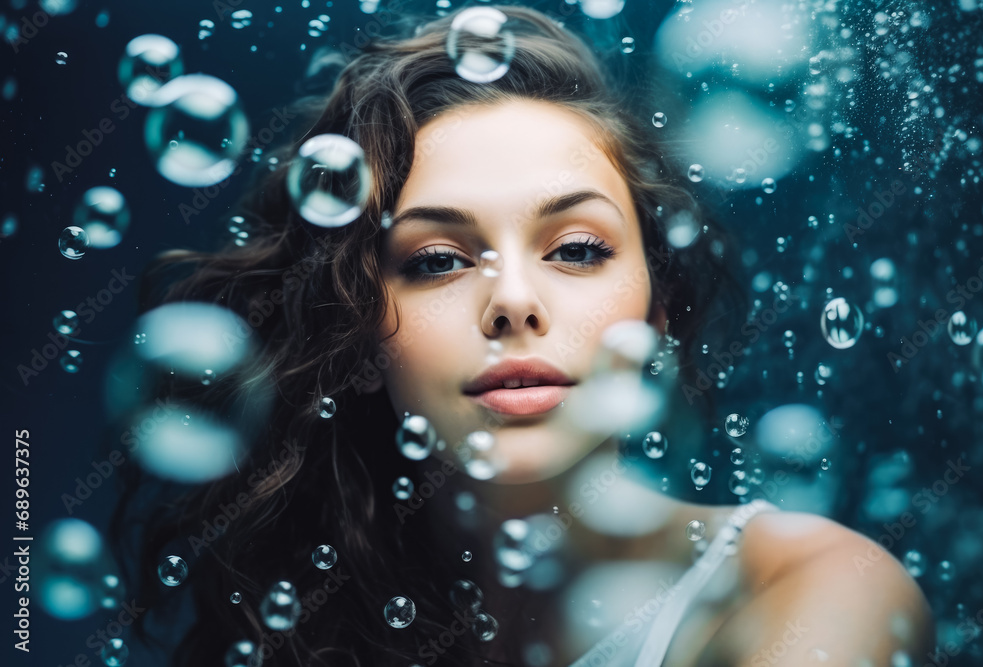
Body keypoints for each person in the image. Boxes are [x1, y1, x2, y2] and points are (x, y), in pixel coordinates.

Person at [111, 4, 934, 666]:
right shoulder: (306, 623)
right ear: (357, 333)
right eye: (437, 261)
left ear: (659, 310)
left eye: (576, 249)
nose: (512, 302)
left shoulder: (813, 588)